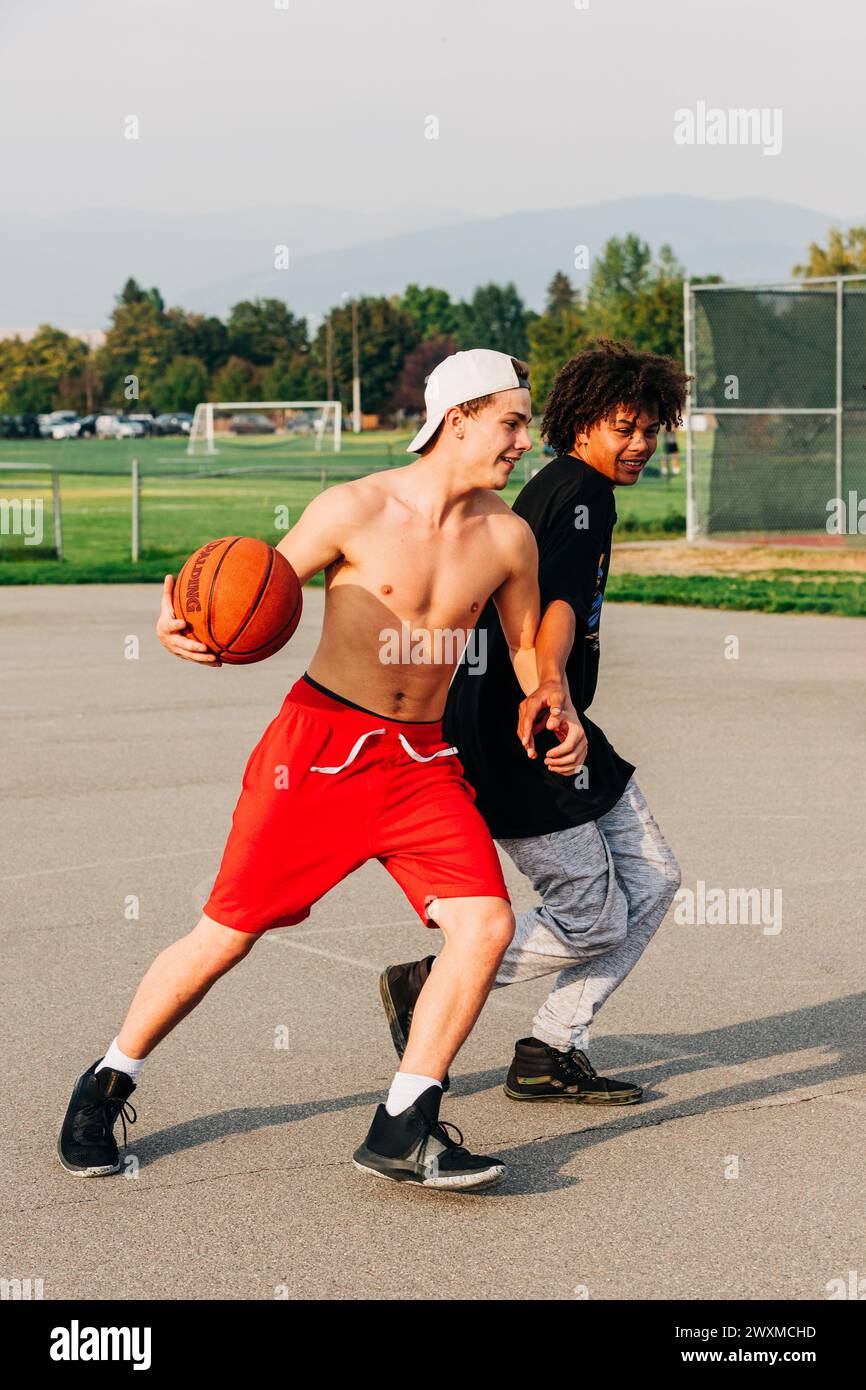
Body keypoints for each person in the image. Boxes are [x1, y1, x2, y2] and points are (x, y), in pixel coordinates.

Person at [57, 349, 583, 1192]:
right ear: (459, 419)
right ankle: (109, 1078)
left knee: (484, 925)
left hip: (421, 762)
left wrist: (547, 695)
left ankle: (404, 1124)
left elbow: (524, 643)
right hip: (318, 754)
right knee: (225, 936)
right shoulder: (354, 508)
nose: (526, 438)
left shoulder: (507, 535)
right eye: (512, 421)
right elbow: (250, 592)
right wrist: (185, 627)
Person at [380, 340, 688, 1105]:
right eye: (626, 426)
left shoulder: (574, 487)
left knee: (654, 878)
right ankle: (432, 981)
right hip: (517, 731)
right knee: (593, 918)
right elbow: (550, 607)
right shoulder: (579, 494)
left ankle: (550, 1050)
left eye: (652, 428)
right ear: (583, 422)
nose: (642, 443)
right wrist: (549, 688)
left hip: (553, 718)